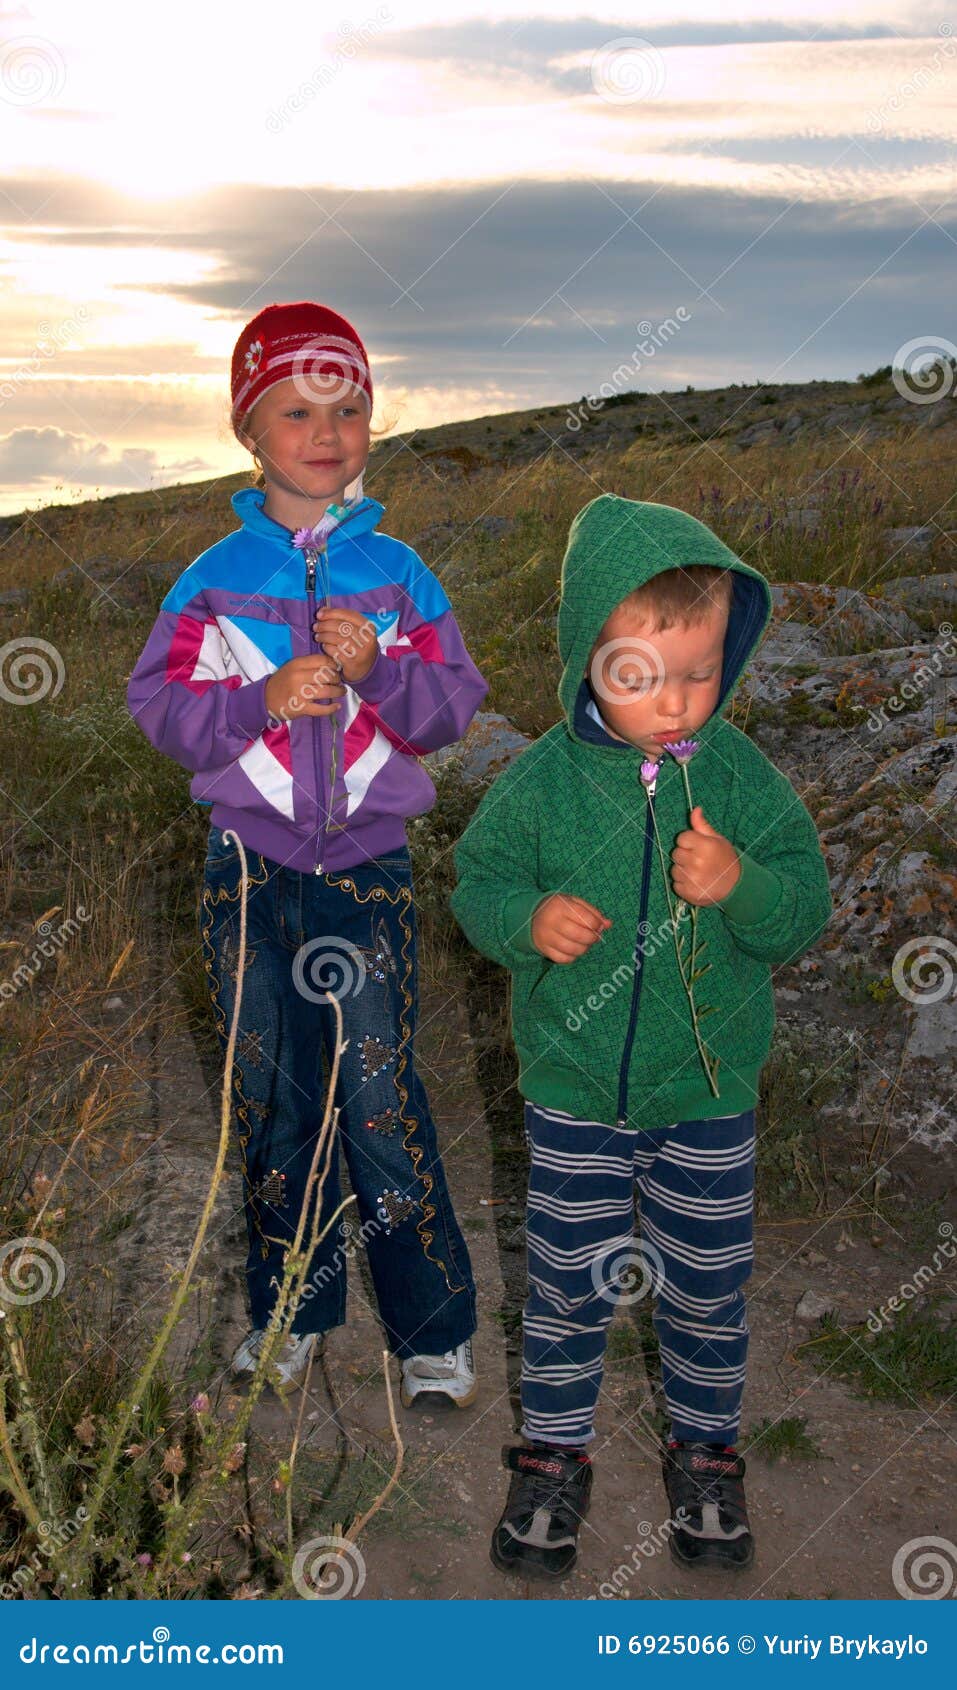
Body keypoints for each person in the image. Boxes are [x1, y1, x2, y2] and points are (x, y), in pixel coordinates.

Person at [449, 493, 832, 1579]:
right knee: (568, 1282)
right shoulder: (540, 783)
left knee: (708, 1282)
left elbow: (805, 902)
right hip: (573, 1092)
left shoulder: (742, 776)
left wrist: (743, 885)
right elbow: (477, 881)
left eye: (701, 671)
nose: (675, 702)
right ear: (585, 658)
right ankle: (554, 1458)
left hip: (706, 1094)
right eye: (640, 676)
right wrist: (525, 923)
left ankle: (707, 1450)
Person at [128, 300, 487, 1405]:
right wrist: (257, 699)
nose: (326, 430)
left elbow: (453, 707)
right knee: (274, 1097)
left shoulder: (401, 574)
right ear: (251, 426)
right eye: (297, 408)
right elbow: (157, 704)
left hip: (368, 872)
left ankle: (431, 1329)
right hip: (246, 870)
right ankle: (291, 1308)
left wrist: (381, 670)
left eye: (348, 408)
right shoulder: (213, 577)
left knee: (376, 1093)